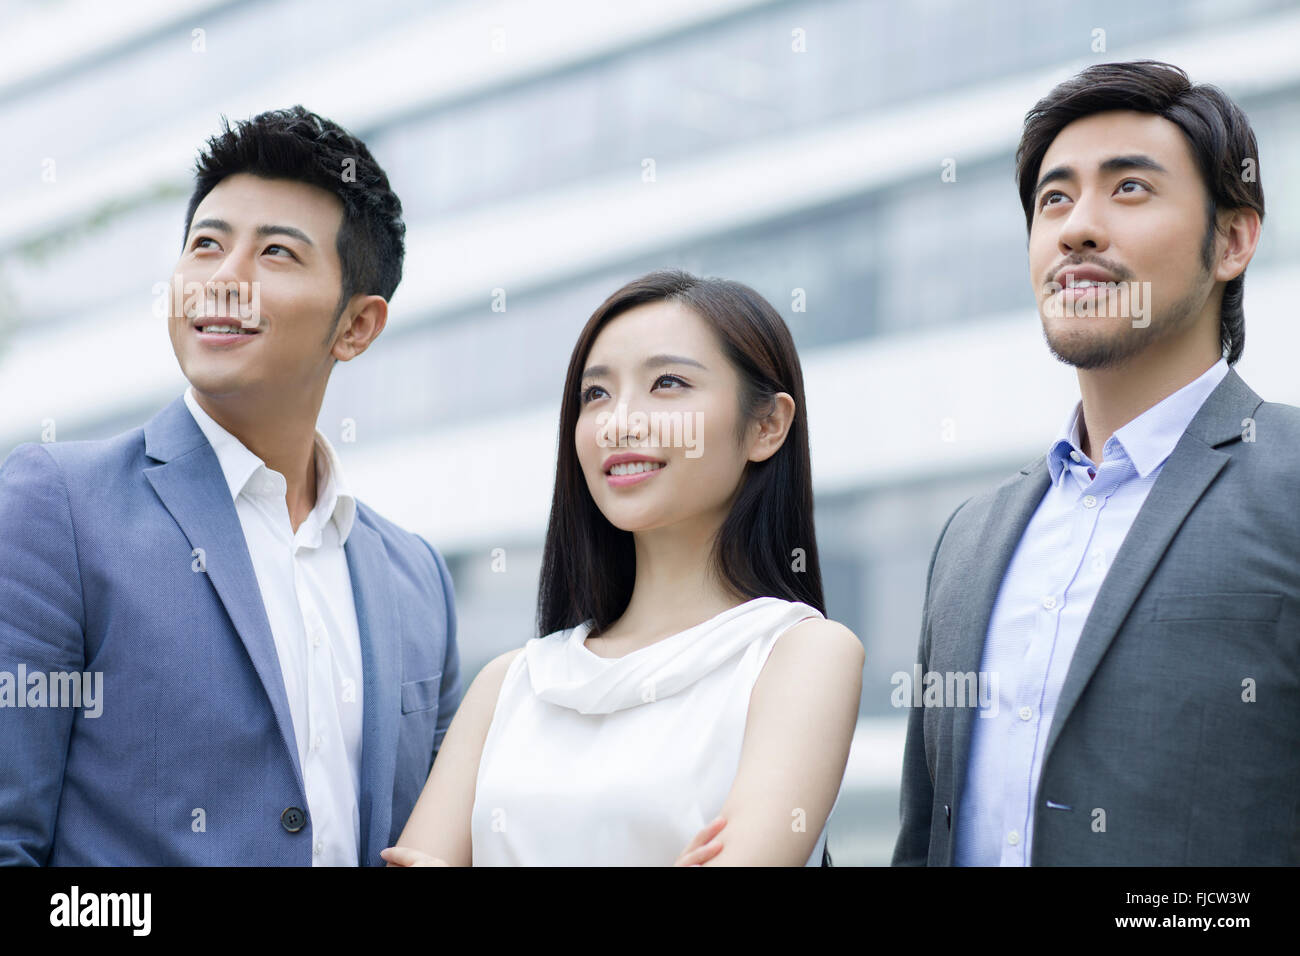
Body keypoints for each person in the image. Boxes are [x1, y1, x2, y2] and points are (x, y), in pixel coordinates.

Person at [0, 106, 462, 865]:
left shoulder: (418, 579)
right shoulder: (60, 506)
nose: (223, 280)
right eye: (206, 245)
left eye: (276, 253)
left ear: (357, 327)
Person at [893, 60, 1298, 866]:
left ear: (1232, 240)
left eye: (1130, 188)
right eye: (1054, 199)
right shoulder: (969, 540)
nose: (1077, 226)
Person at [381, 270, 862, 866]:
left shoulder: (800, 656)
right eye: (596, 394)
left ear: (766, 426)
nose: (619, 421)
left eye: (667, 383)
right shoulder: (510, 685)